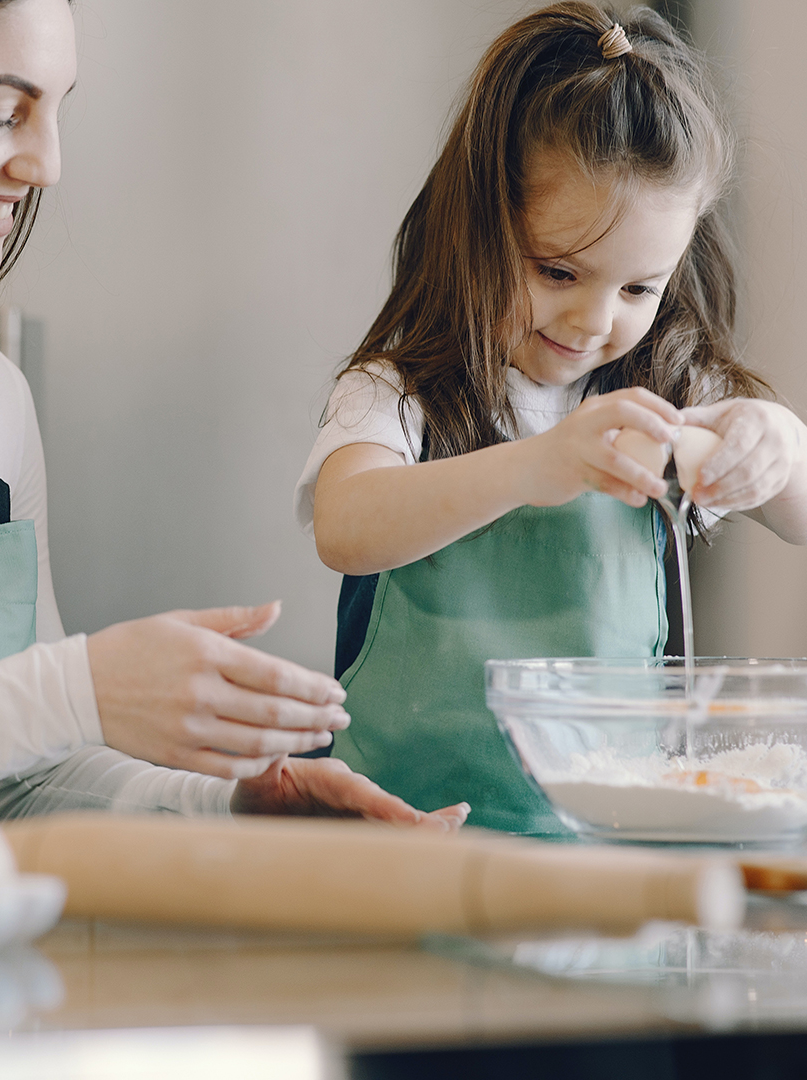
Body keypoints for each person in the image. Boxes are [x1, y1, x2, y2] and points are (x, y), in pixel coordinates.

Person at [0, 0, 470, 831]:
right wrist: (74, 690)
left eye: (56, 112)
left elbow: (22, 779)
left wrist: (232, 809)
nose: (45, 165)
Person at [296, 2, 807, 834]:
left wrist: (778, 446)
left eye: (639, 288)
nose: (594, 320)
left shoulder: (666, 398)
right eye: (558, 271)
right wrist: (536, 466)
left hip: (599, 842)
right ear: (476, 226)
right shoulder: (399, 392)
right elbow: (346, 526)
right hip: (400, 838)